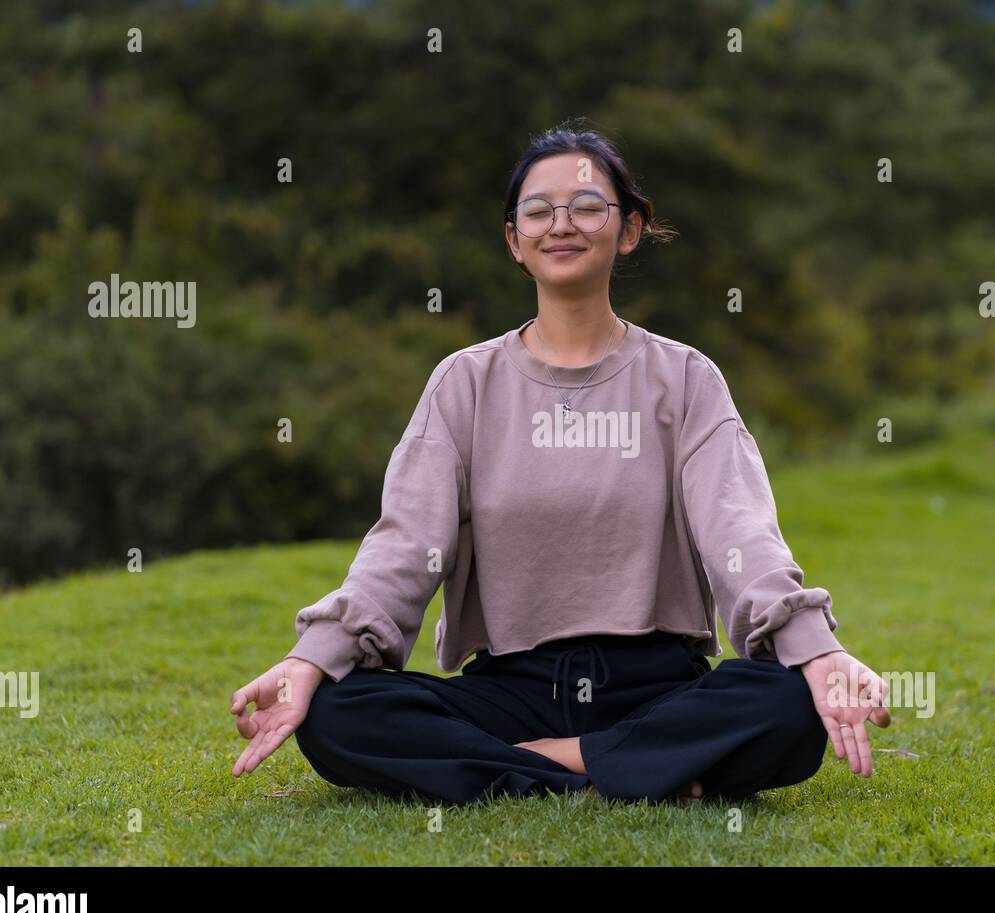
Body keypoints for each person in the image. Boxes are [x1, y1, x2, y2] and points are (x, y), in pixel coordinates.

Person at [230, 119, 891, 806]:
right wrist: (314, 657)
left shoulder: (686, 378)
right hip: (511, 691)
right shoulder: (465, 383)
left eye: (586, 207)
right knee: (338, 711)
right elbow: (404, 544)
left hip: (659, 686)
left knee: (787, 702)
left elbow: (740, 534)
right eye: (538, 211)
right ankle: (628, 770)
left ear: (629, 229)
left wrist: (817, 648)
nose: (561, 225)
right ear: (515, 241)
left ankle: (544, 766)